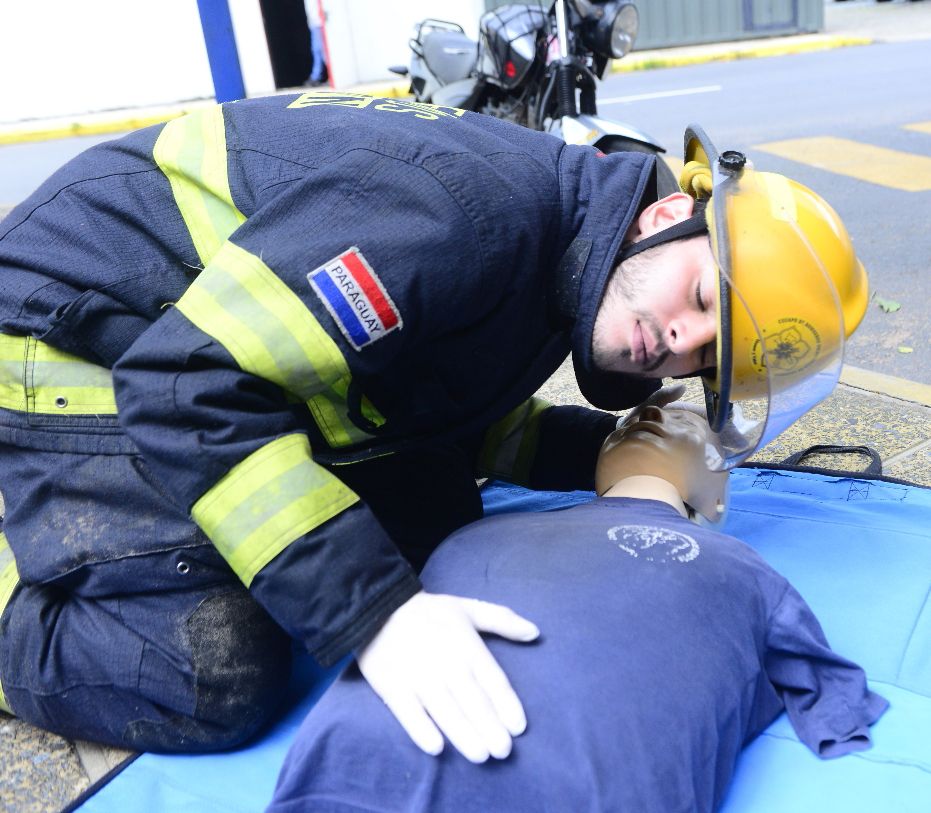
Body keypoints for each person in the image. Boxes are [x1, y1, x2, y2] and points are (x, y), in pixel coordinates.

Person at [0, 92, 867, 754]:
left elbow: (426, 394)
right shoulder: (460, 214)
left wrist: (602, 449)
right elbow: (187, 383)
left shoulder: (556, 242)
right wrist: (373, 613)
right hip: (77, 349)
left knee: (436, 516)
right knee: (215, 671)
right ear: (667, 215)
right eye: (705, 297)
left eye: (703, 362)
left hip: (187, 342)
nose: (679, 340)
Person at [266, 405, 888, 813]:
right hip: (363, 761)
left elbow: (824, 687)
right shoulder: (476, 532)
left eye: (683, 420)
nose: (651, 411)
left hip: (568, 785)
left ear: (718, 494)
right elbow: (829, 692)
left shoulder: (744, 573)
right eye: (643, 410)